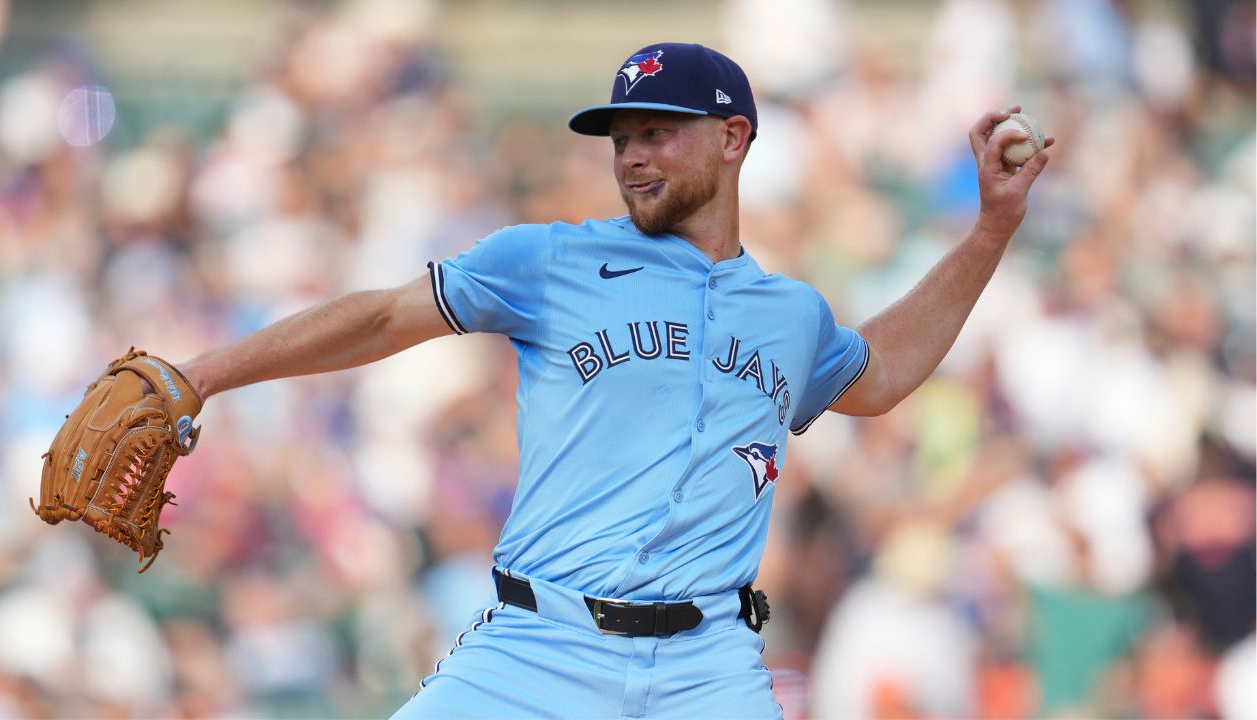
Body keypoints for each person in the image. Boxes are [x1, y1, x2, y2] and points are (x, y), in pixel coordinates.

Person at [169, 43, 1052, 718]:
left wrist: (989, 231)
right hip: (535, 648)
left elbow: (884, 371)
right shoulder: (549, 259)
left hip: (708, 666)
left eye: (659, 132)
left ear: (734, 137)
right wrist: (198, 375)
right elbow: (378, 317)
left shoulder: (790, 315)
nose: (632, 155)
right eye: (623, 138)